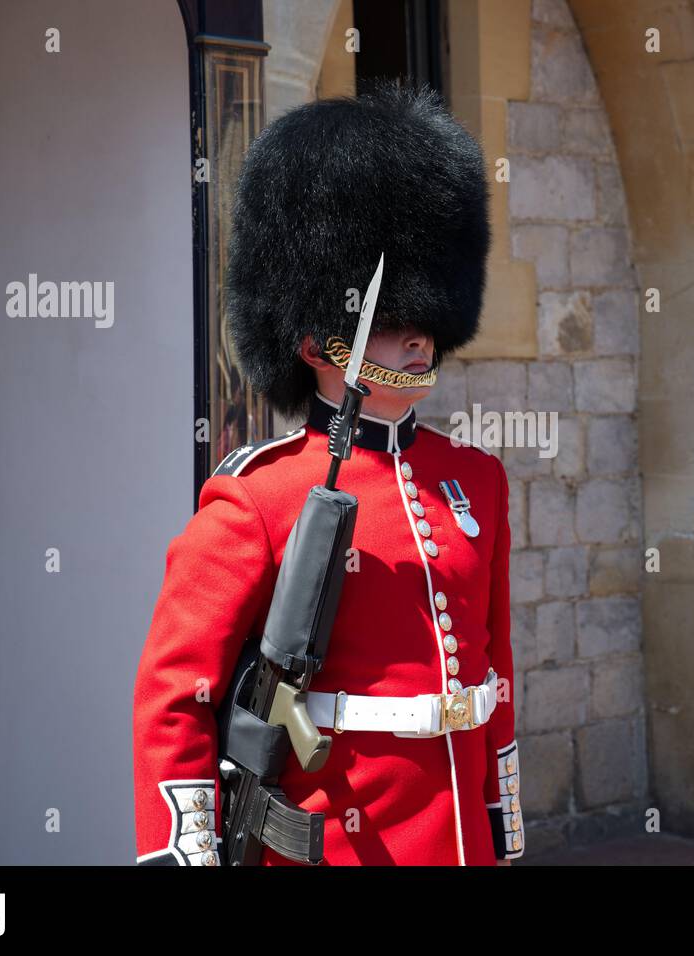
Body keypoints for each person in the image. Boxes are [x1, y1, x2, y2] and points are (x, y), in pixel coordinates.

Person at [132, 81, 523, 866]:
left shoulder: (473, 479)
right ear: (318, 344)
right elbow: (178, 695)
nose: (419, 342)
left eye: (425, 327)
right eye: (392, 326)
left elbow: (492, 675)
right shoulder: (260, 498)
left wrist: (500, 823)